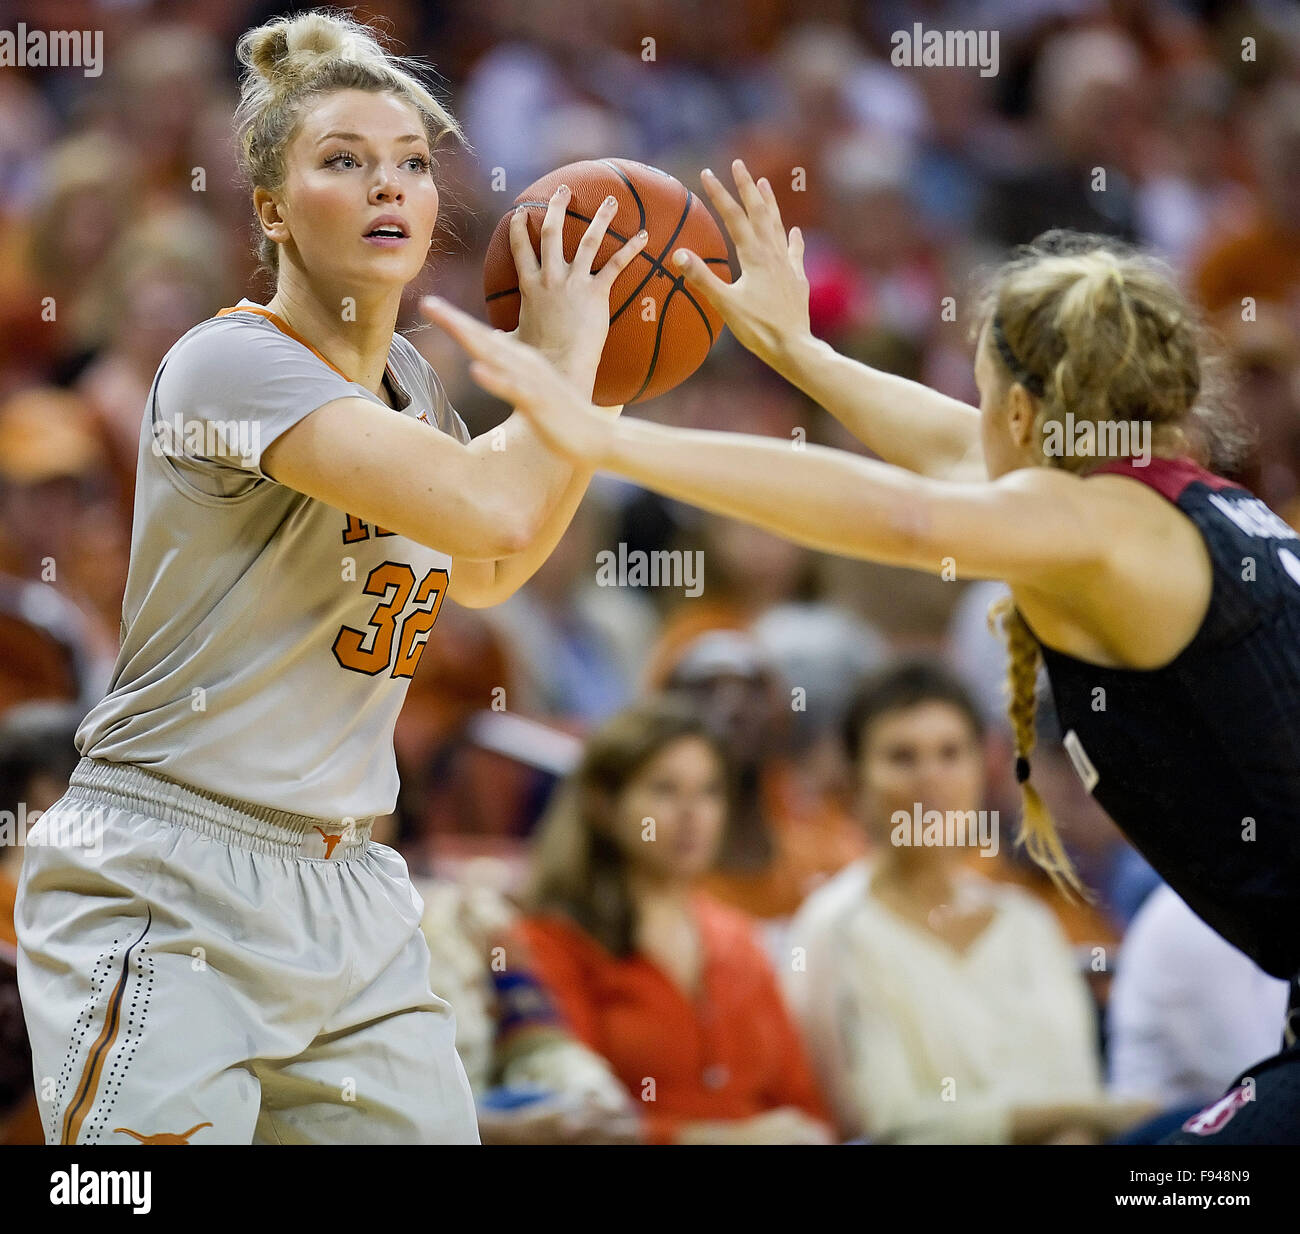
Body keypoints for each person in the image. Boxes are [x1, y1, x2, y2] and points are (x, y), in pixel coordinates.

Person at [424, 159, 1300, 1144]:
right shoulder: (1168, 502)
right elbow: (941, 453)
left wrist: (603, 438)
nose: (973, 422)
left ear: (1022, 413)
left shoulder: (1099, 522)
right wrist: (797, 349)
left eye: (982, 392)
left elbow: (911, 513)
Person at [14, 9, 648, 1146]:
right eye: (343, 161)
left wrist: (585, 389)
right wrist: (567, 365)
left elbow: (496, 564)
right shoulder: (230, 361)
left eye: (410, 162)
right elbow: (501, 501)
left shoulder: (410, 380)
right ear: (269, 210)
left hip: (349, 878)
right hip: (176, 865)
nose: (388, 186)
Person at [785, 659, 1153, 1144]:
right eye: (902, 757)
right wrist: (1098, 1115)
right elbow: (887, 1121)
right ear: (855, 785)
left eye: (950, 753)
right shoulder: (836, 927)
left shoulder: (1027, 921)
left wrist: (1080, 1121)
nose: (930, 778)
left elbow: (1074, 1088)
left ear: (984, 770)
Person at [514, 697, 835, 1144]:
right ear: (603, 805)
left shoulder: (736, 936)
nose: (692, 814)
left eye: (709, 791)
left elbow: (802, 1102)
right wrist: (713, 1139)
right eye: (664, 789)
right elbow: (573, 1121)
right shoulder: (552, 940)